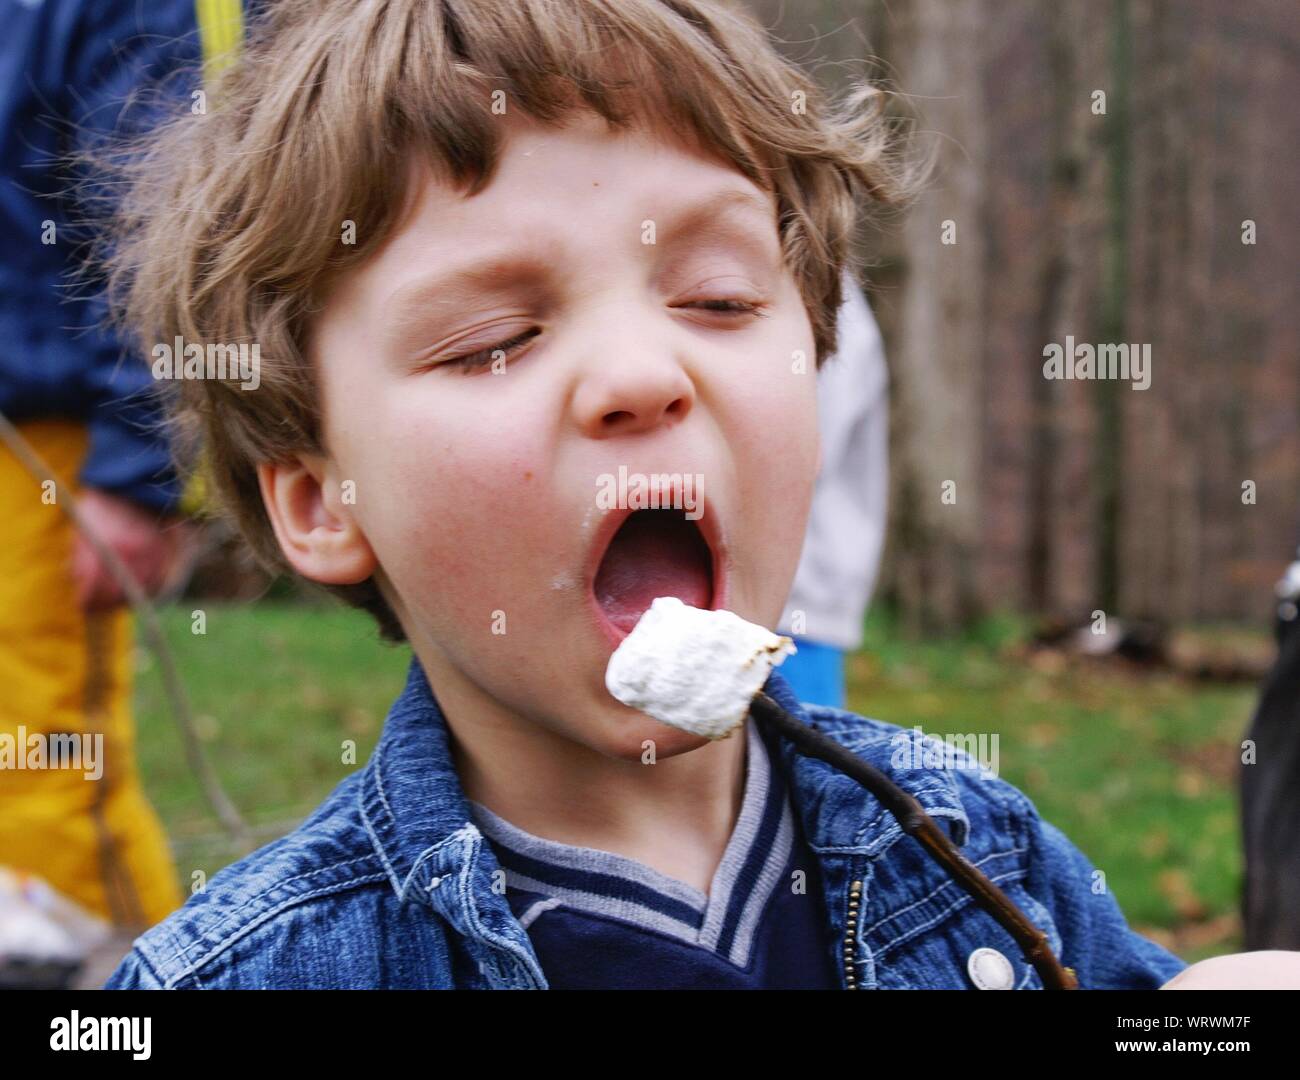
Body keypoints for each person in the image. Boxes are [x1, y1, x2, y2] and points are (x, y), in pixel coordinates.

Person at [96, 0, 1290, 989]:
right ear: (320, 500)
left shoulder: (975, 848)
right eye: (495, 338)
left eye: (718, 300)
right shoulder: (254, 974)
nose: (639, 374)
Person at [0, 0, 217, 936]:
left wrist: (137, 470)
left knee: (49, 764)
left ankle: (121, 986)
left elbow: (156, 223)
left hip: (55, 439)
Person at [777, 269, 888, 709]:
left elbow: (799, 450)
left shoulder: (825, 292)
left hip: (798, 608)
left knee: (797, 764)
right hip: (777, 604)